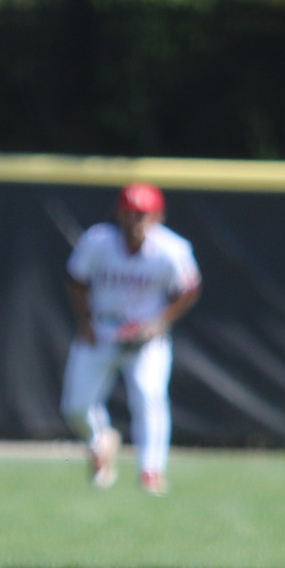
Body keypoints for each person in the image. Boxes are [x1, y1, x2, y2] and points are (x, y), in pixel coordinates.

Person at [60, 183, 201, 496]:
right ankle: (100, 441)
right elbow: (76, 281)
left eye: (143, 214)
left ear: (157, 216)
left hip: (145, 335)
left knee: (149, 397)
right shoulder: (98, 241)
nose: (137, 220)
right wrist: (85, 324)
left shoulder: (171, 249)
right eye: (131, 213)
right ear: (119, 215)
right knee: (74, 407)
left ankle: (151, 471)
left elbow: (190, 287)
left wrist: (160, 322)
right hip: (103, 326)